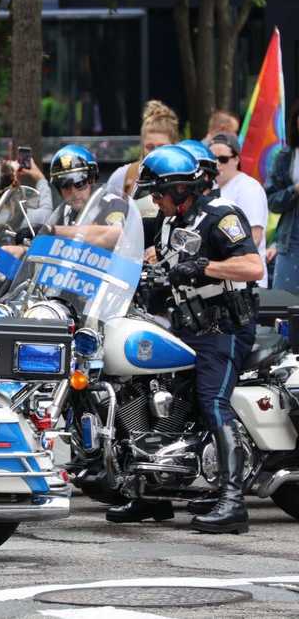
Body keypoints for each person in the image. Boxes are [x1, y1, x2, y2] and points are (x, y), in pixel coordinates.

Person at [108, 145, 262, 534]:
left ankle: (232, 500)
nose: (154, 200)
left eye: (159, 193)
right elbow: (154, 262)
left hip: (223, 329)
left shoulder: (221, 216)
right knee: (146, 390)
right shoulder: (168, 222)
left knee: (212, 401)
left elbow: (253, 265)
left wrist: (204, 267)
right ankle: (151, 494)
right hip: (184, 327)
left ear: (181, 189)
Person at [208, 133, 268, 287]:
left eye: (223, 159)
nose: (217, 164)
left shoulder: (249, 188)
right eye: (212, 159)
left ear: (236, 159)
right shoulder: (210, 188)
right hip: (221, 281)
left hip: (247, 283)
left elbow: (255, 237)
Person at [44, 144, 127, 248]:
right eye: (65, 185)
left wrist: (53, 230)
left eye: (80, 183)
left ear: (92, 180)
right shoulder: (64, 211)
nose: (73, 192)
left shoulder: (113, 203)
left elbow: (115, 235)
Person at [107, 100, 180, 199]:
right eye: (150, 147)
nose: (155, 153)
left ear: (174, 146)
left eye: (162, 147)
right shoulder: (123, 176)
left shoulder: (185, 180)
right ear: (142, 145)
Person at [266, 102, 299, 290]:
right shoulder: (286, 156)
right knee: (284, 303)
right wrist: (294, 190)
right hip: (292, 241)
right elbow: (272, 201)